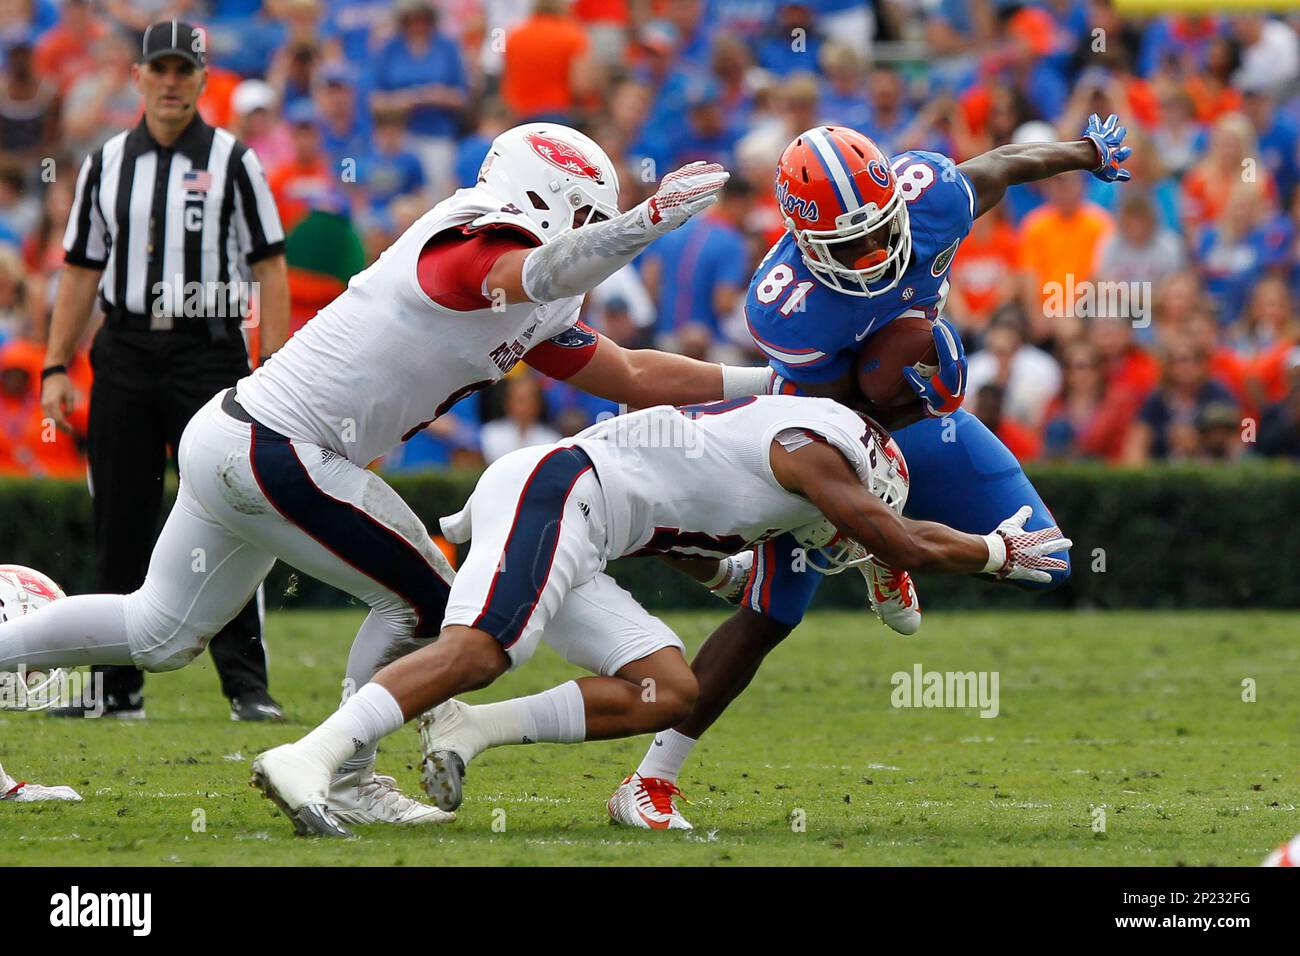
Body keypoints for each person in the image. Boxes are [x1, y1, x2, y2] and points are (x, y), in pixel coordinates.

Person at [0, 121, 773, 830]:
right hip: (282, 446)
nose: (589, 232)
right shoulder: (469, 243)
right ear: (544, 198)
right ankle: (348, 774)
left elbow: (635, 372)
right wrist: (642, 225)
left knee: (157, 633)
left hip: (243, 439)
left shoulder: (527, 289)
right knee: (424, 598)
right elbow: (533, 271)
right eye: (584, 215)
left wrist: (770, 382)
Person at [607, 115, 1131, 829]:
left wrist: (1085, 152)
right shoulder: (789, 305)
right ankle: (648, 783)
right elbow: (832, 412)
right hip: (826, 426)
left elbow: (1003, 164)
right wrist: (857, 510)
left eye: (881, 229)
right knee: (770, 612)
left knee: (1053, 561)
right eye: (849, 244)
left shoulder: (934, 196)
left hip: (927, 419)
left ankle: (872, 552)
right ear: (804, 240)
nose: (874, 250)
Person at [251, 394, 1071, 836]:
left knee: (668, 685)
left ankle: (469, 730)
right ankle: (312, 757)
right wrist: (994, 552)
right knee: (484, 646)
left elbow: (676, 533)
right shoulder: (816, 444)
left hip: (584, 517)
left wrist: (725, 572)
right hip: (561, 493)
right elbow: (895, 536)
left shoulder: (782, 455)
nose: (839, 534)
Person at [42, 20, 288, 722]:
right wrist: (56, 364)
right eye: (161, 69)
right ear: (139, 77)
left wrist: (271, 365)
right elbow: (81, 269)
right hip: (123, 351)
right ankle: (115, 690)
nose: (172, 81)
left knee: (233, 511)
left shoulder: (237, 162)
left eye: (185, 69)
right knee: (119, 517)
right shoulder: (106, 162)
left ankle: (247, 685)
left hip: (208, 352)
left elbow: (270, 264)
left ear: (205, 79)